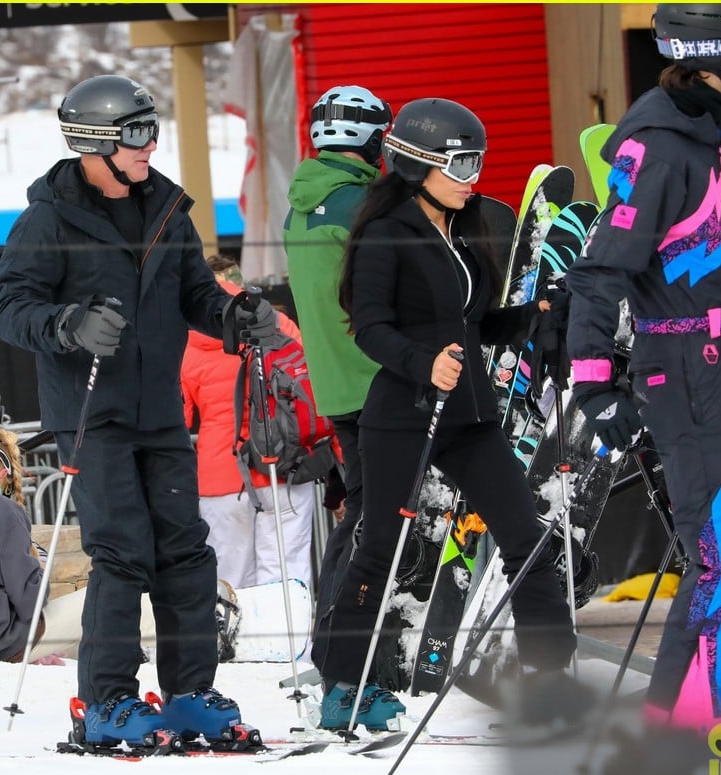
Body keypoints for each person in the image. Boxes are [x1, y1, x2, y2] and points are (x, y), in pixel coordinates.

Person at [0, 74, 276, 748]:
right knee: (122, 551)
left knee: (185, 549)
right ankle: (108, 699)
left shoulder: (166, 214)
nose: (150, 147)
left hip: (160, 413)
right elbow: (11, 309)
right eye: (137, 134)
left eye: (153, 132)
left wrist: (237, 315)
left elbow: (198, 297)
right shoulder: (47, 221)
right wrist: (68, 324)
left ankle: (187, 693)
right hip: (93, 413)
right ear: (96, 140)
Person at [313, 98, 589, 731]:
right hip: (405, 410)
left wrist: (535, 317)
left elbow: (477, 323)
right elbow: (370, 327)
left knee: (527, 536)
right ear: (415, 164)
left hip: (469, 415)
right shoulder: (385, 233)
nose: (473, 175)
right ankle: (342, 683)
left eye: (478, 161)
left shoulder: (464, 229)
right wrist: (420, 362)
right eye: (460, 163)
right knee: (379, 545)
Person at [565, 3, 721, 775]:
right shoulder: (657, 149)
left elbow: (699, 249)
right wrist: (593, 379)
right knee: (718, 552)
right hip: (677, 368)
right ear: (713, 52)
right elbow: (601, 267)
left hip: (712, 363)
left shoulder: (704, 137)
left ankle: (684, 716)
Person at [0, 428, 156, 663]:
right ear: (2, 474)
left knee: (84, 632)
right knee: (128, 601)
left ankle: (111, 665)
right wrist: (39, 568)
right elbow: (30, 601)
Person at [282, 85, 391, 628]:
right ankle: (342, 633)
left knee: (364, 512)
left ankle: (335, 627)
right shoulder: (361, 204)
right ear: (371, 139)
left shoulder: (299, 207)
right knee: (375, 519)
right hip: (379, 378)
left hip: (337, 386)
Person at [181, 255, 314, 589]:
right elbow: (312, 398)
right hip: (286, 467)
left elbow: (175, 421)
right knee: (288, 578)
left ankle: (238, 644)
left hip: (221, 478)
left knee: (232, 584)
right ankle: (289, 643)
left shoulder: (184, 342)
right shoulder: (280, 325)